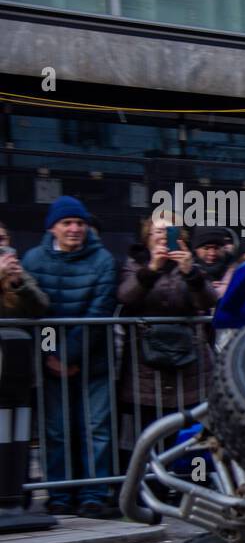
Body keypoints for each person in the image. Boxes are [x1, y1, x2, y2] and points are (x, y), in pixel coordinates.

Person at [21, 196, 119, 517]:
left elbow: (99, 311)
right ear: (53, 228)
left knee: (96, 429)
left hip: (94, 360)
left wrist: (70, 356)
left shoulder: (103, 260)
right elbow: (40, 316)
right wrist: (53, 356)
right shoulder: (34, 260)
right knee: (56, 431)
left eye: (79, 223)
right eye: (67, 223)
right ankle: (59, 496)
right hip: (52, 362)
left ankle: (94, 494)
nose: (75, 229)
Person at [117, 213, 219, 450]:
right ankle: (154, 485)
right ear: (147, 238)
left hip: (190, 368)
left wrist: (190, 273)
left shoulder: (189, 264)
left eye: (170, 231)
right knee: (150, 436)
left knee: (192, 439)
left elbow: (207, 301)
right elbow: (126, 297)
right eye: (158, 231)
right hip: (147, 369)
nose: (164, 237)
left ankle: (193, 482)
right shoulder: (135, 264)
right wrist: (152, 269)